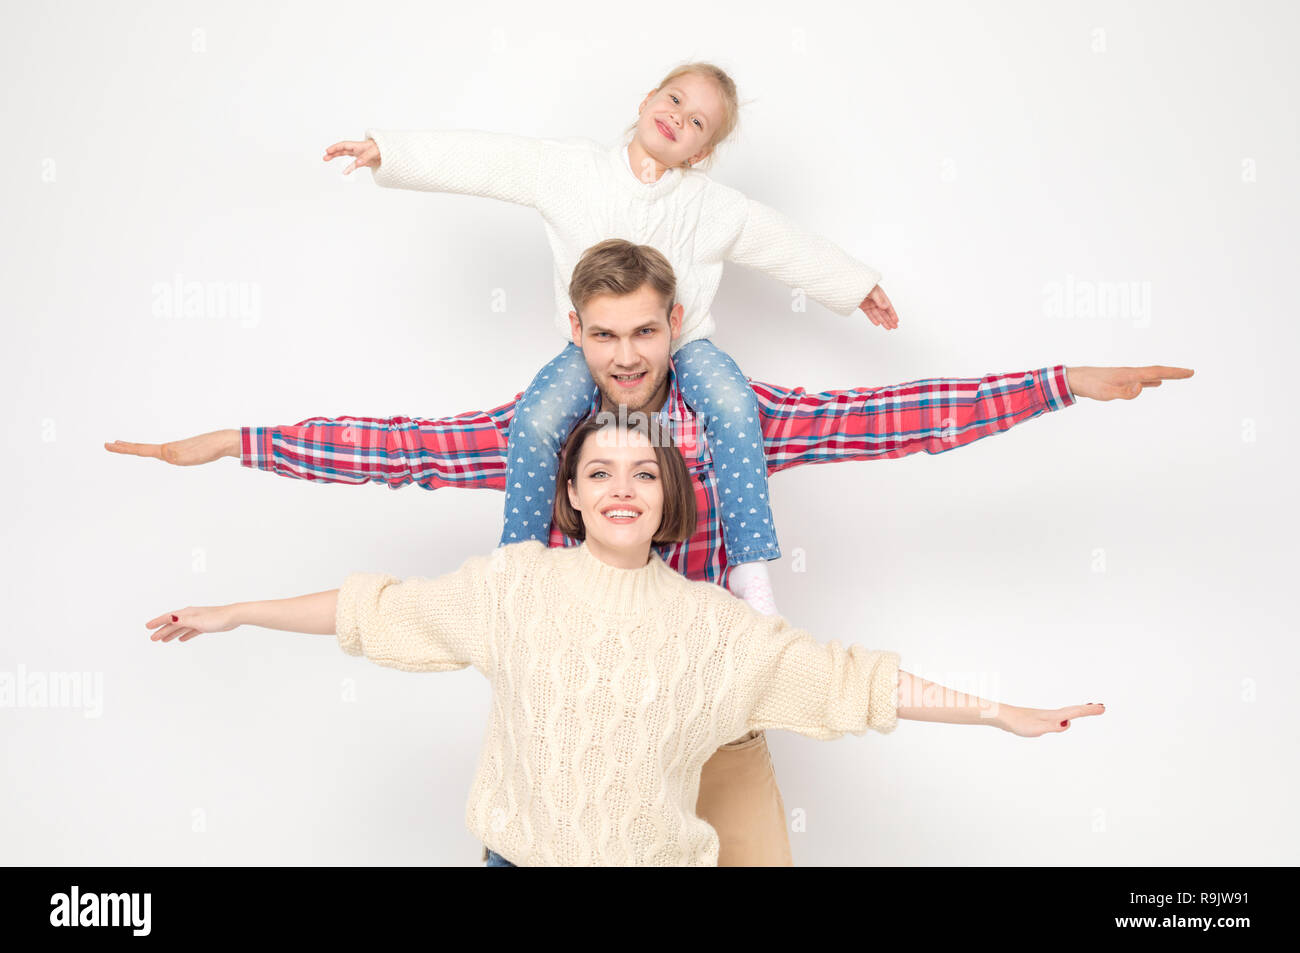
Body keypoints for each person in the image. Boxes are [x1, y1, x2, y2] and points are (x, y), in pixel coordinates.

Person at [106, 239, 1192, 865]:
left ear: (675, 321)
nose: (626, 355)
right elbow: (392, 450)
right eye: (603, 333)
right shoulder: (544, 440)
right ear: (573, 331)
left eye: (644, 330)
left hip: (719, 700)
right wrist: (240, 443)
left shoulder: (739, 420)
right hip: (582, 733)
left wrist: (1054, 385)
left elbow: (896, 414)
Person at [143, 412, 1105, 866]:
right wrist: (235, 611)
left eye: (642, 473)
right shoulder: (514, 586)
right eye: (599, 470)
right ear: (568, 494)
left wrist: (999, 712)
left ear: (666, 498)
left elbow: (854, 684)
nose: (620, 486)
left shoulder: (716, 630)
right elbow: (370, 608)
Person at [323, 60, 902, 619]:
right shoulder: (573, 171)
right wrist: (393, 153)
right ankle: (519, 564)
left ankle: (749, 567)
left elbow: (786, 243)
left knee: (733, 405)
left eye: (698, 122)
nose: (679, 116)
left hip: (687, 347)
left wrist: (855, 285)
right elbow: (489, 160)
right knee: (536, 419)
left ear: (700, 153)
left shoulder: (714, 208)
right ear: (647, 101)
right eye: (674, 99)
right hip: (589, 351)